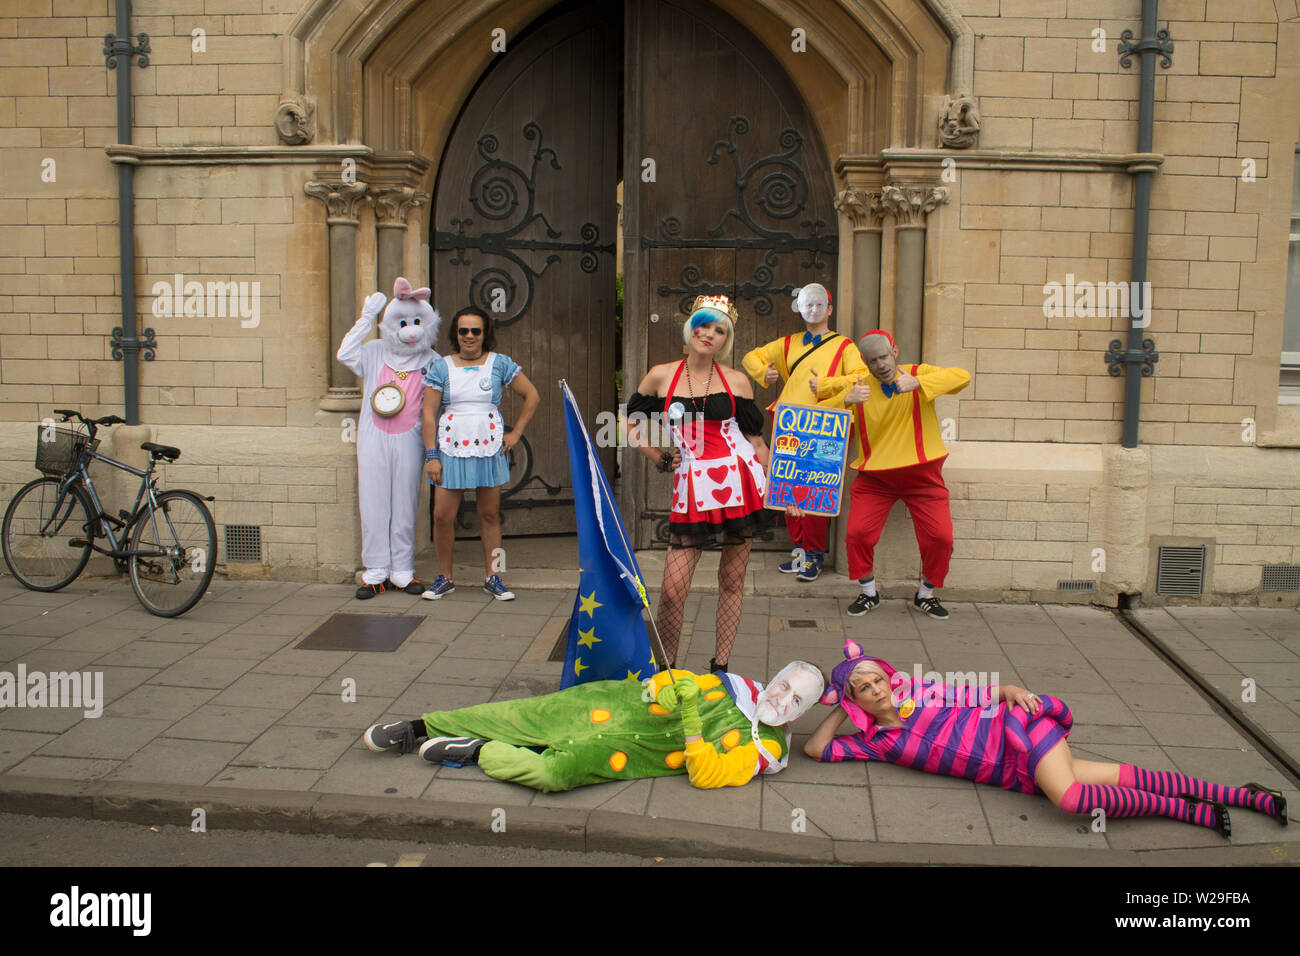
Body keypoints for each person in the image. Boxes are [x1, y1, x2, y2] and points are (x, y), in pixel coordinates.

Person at [804, 640, 1288, 836]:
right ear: (855, 702)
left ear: (889, 676)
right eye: (862, 689)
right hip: (1017, 773)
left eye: (876, 679)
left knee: (1073, 798)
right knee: (1119, 777)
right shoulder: (875, 742)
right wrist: (838, 706)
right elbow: (816, 749)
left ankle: (1187, 811)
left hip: (1021, 736)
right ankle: (1239, 796)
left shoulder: (922, 690)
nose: (875, 689)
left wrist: (1010, 689)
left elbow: (976, 692)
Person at [363, 661, 825, 793]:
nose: (781, 698)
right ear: (775, 675)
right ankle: (418, 726)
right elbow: (663, 684)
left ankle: (476, 752)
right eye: (783, 684)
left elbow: (704, 775)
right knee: (517, 715)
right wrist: (670, 689)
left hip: (619, 754)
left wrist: (688, 719)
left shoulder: (766, 750)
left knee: (551, 776)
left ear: (801, 715)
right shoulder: (736, 685)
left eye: (795, 700)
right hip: (607, 706)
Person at [624, 294, 769, 672]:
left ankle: (720, 668)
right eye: (703, 325)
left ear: (726, 340)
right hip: (690, 487)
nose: (709, 334)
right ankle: (666, 670)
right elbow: (630, 424)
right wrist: (660, 457)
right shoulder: (661, 374)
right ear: (690, 328)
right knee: (672, 590)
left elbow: (755, 442)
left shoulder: (737, 381)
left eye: (719, 330)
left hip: (739, 482)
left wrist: (789, 488)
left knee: (731, 581)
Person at [815, 330, 969, 619]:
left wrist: (920, 382)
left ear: (894, 351)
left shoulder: (917, 372)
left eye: (884, 356)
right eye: (873, 360)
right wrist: (846, 400)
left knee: (941, 538)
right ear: (864, 362)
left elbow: (961, 377)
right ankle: (868, 592)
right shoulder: (858, 383)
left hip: (923, 476)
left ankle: (926, 594)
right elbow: (817, 413)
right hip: (876, 479)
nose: (881, 364)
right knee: (857, 534)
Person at [741, 283, 864, 581]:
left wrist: (826, 386)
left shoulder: (845, 346)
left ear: (829, 309)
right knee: (787, 490)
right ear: (801, 309)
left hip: (826, 426)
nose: (813, 310)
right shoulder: (787, 344)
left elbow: (861, 377)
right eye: (807, 305)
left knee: (817, 492)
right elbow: (750, 357)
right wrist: (764, 374)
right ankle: (799, 554)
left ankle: (814, 556)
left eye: (819, 304)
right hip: (791, 425)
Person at [422, 307, 540, 601]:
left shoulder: (500, 364)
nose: (470, 336)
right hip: (450, 449)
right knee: (441, 516)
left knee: (490, 514)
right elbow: (427, 413)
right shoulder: (441, 367)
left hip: (489, 448)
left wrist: (516, 433)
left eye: (476, 330)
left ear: (485, 333)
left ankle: (494, 576)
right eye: (464, 331)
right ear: (456, 334)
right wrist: (431, 456)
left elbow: (532, 395)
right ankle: (445, 577)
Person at [336, 277, 441, 599]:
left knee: (406, 503)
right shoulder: (374, 351)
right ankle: (376, 571)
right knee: (373, 502)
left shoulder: (432, 360)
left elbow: (441, 402)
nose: (412, 330)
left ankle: (402, 571)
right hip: (373, 438)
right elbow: (344, 355)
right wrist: (366, 317)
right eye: (405, 323)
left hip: (410, 440)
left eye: (417, 323)